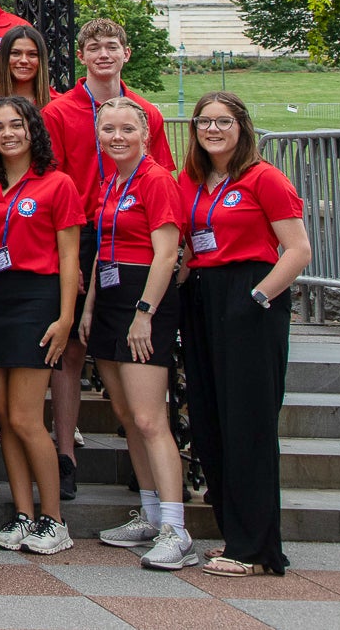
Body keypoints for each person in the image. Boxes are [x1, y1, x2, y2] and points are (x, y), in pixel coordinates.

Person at [178, 92, 311, 578]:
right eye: (204, 122)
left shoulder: (263, 178)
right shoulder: (191, 180)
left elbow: (298, 250)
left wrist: (257, 297)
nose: (213, 130)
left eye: (223, 121)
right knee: (210, 421)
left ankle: (257, 549)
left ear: (242, 127)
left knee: (248, 423)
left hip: (251, 297)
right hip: (202, 296)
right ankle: (236, 535)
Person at [41, 18, 175, 496]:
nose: (103, 54)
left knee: (134, 355)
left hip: (133, 236)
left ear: (126, 53)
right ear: (81, 56)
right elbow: (52, 179)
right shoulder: (60, 111)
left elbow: (163, 171)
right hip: (80, 232)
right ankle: (66, 453)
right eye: (94, 47)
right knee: (72, 345)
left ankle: (151, 466)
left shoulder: (146, 112)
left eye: (112, 46)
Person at [79, 96, 195, 571]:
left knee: (150, 419)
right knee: (127, 415)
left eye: (127, 129)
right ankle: (150, 515)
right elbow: (101, 252)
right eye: (108, 129)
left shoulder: (156, 179)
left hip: (142, 298)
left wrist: (145, 313)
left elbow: (167, 254)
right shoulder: (111, 181)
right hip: (110, 299)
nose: (117, 137)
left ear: (146, 134)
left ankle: (176, 528)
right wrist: (89, 308)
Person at [0, 95, 81, 556]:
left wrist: (66, 317)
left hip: (36, 299)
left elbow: (70, 257)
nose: (7, 134)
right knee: (5, 418)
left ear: (33, 129)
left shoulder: (57, 183)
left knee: (26, 417)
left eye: (16, 125)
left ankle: (54, 519)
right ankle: (23, 515)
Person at [0, 25, 57, 106]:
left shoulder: (59, 105)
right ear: (4, 58)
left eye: (32, 54)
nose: (24, 60)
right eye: (15, 53)